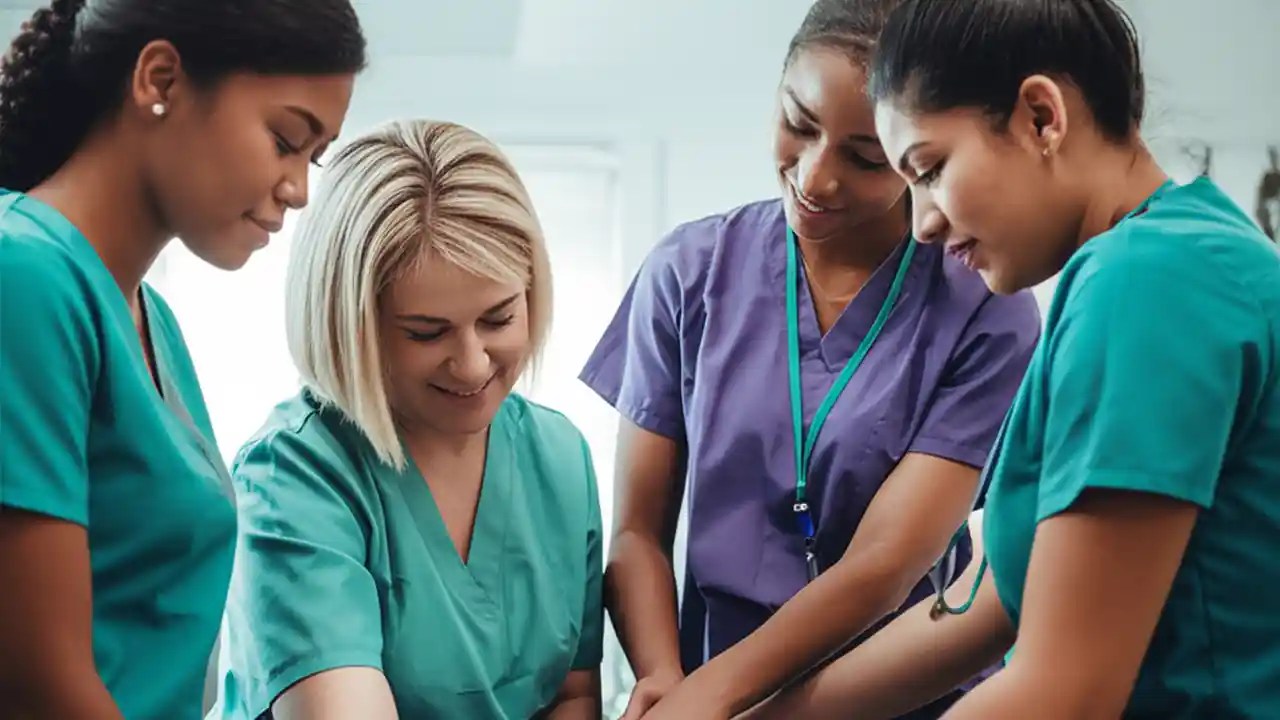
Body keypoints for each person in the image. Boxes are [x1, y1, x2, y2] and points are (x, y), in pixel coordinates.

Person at [745, 0, 1280, 717]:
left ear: (1040, 117)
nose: (925, 223)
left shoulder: (1152, 280)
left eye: (929, 170)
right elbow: (989, 603)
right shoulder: (1151, 263)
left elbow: (1065, 691)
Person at [579, 0, 1041, 717]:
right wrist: (663, 674)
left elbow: (885, 566)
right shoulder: (689, 272)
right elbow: (637, 530)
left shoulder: (984, 306)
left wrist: (711, 698)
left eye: (863, 158)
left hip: (897, 699)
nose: (816, 179)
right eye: (798, 124)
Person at [0, 1, 364, 718]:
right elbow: (36, 682)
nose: (299, 189)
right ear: (159, 78)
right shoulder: (24, 279)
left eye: (313, 158)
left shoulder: (149, 320)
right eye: (286, 139)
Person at [212, 119, 604, 720]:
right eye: (427, 332)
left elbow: (573, 694)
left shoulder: (559, 457)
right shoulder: (293, 478)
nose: (473, 365)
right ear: (350, 326)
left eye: (498, 319)